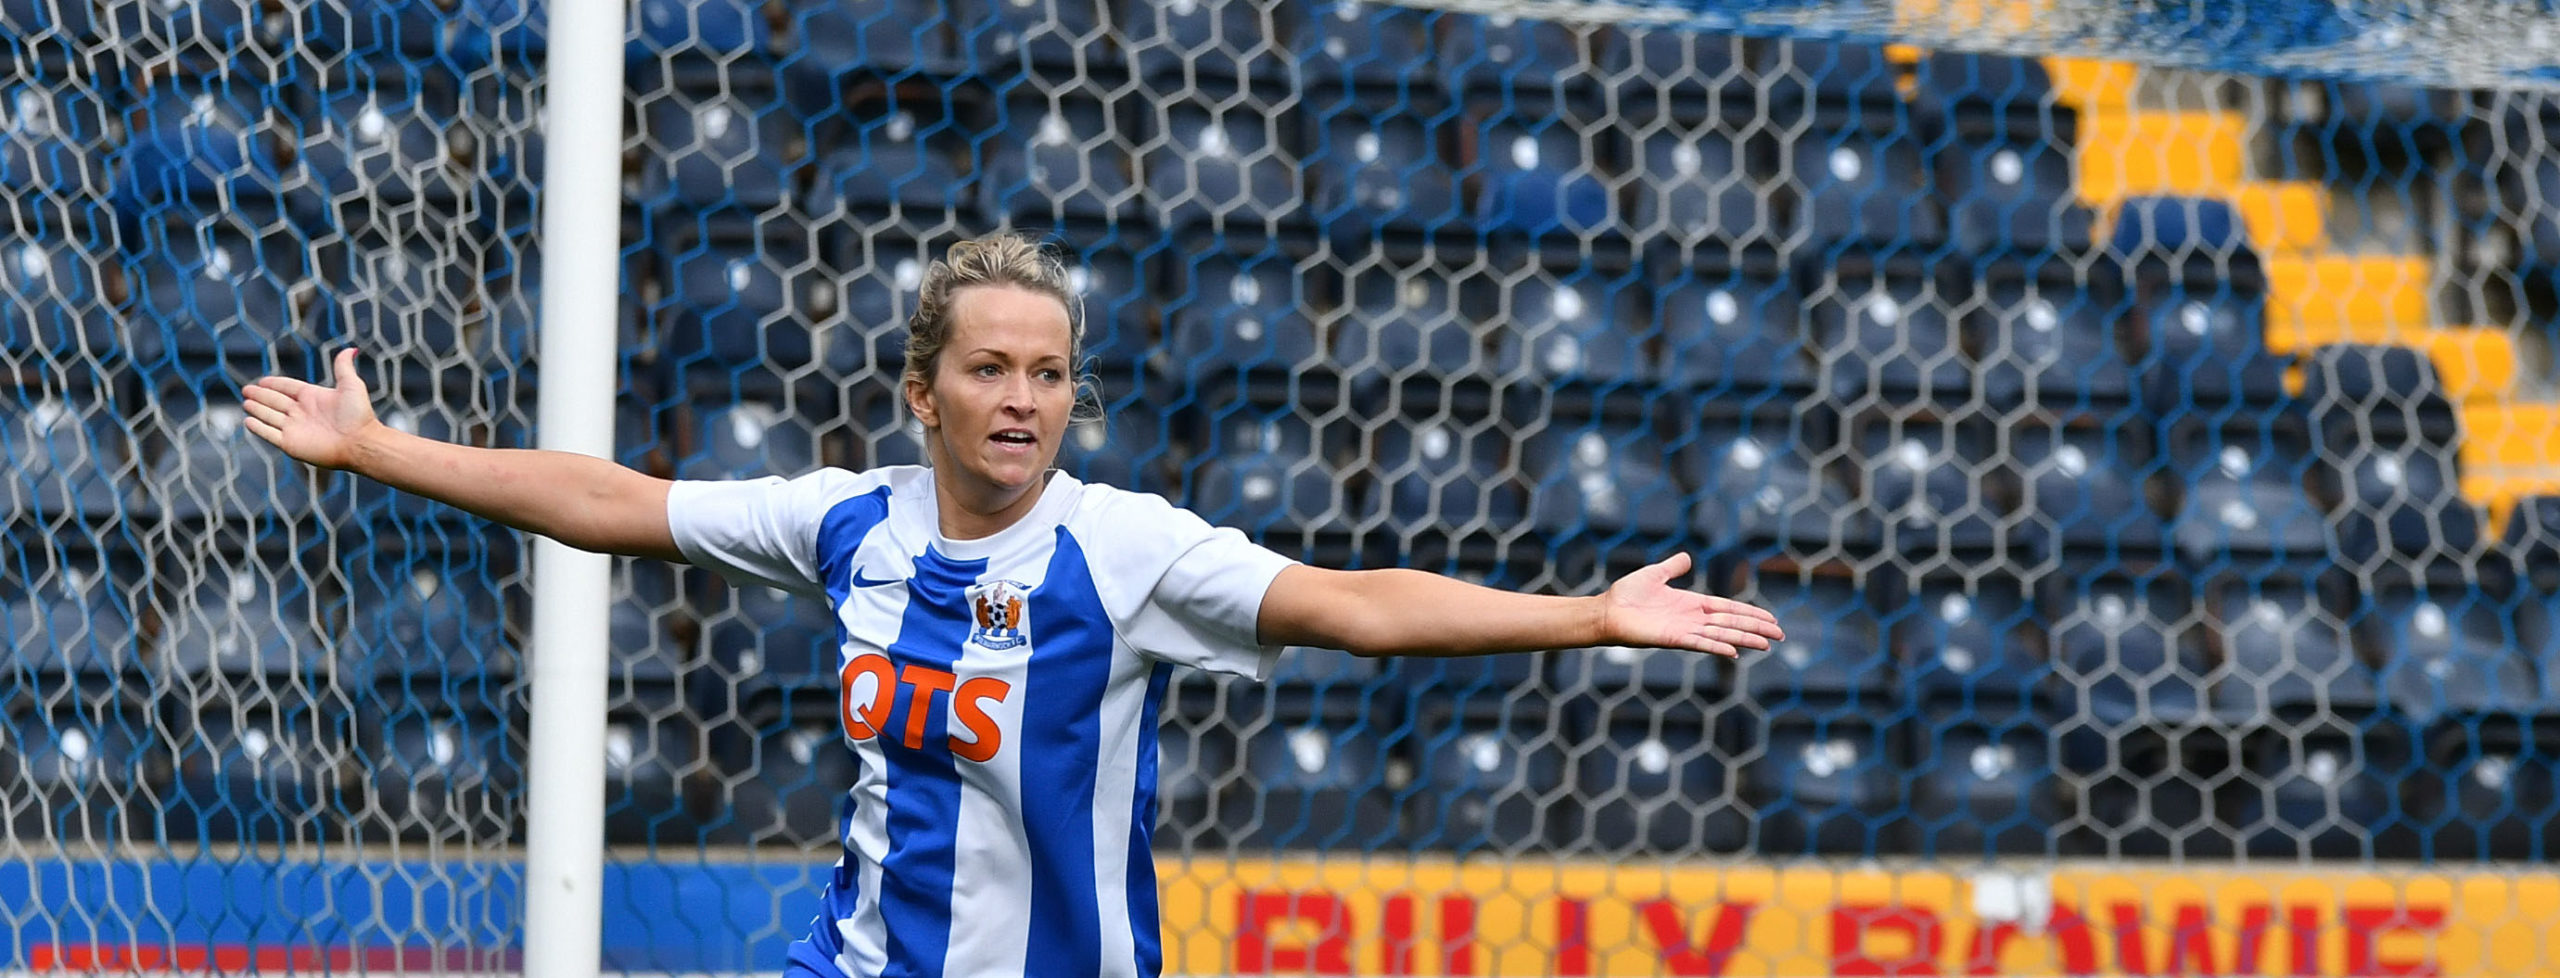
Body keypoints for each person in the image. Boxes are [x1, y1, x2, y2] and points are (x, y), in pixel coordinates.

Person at [240, 231, 1785, 978]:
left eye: (1049, 371)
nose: (1024, 396)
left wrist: (1585, 613)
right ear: (923, 390)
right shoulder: (847, 519)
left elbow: (1354, 605)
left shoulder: (1123, 551)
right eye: (990, 366)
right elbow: (611, 501)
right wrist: (386, 451)